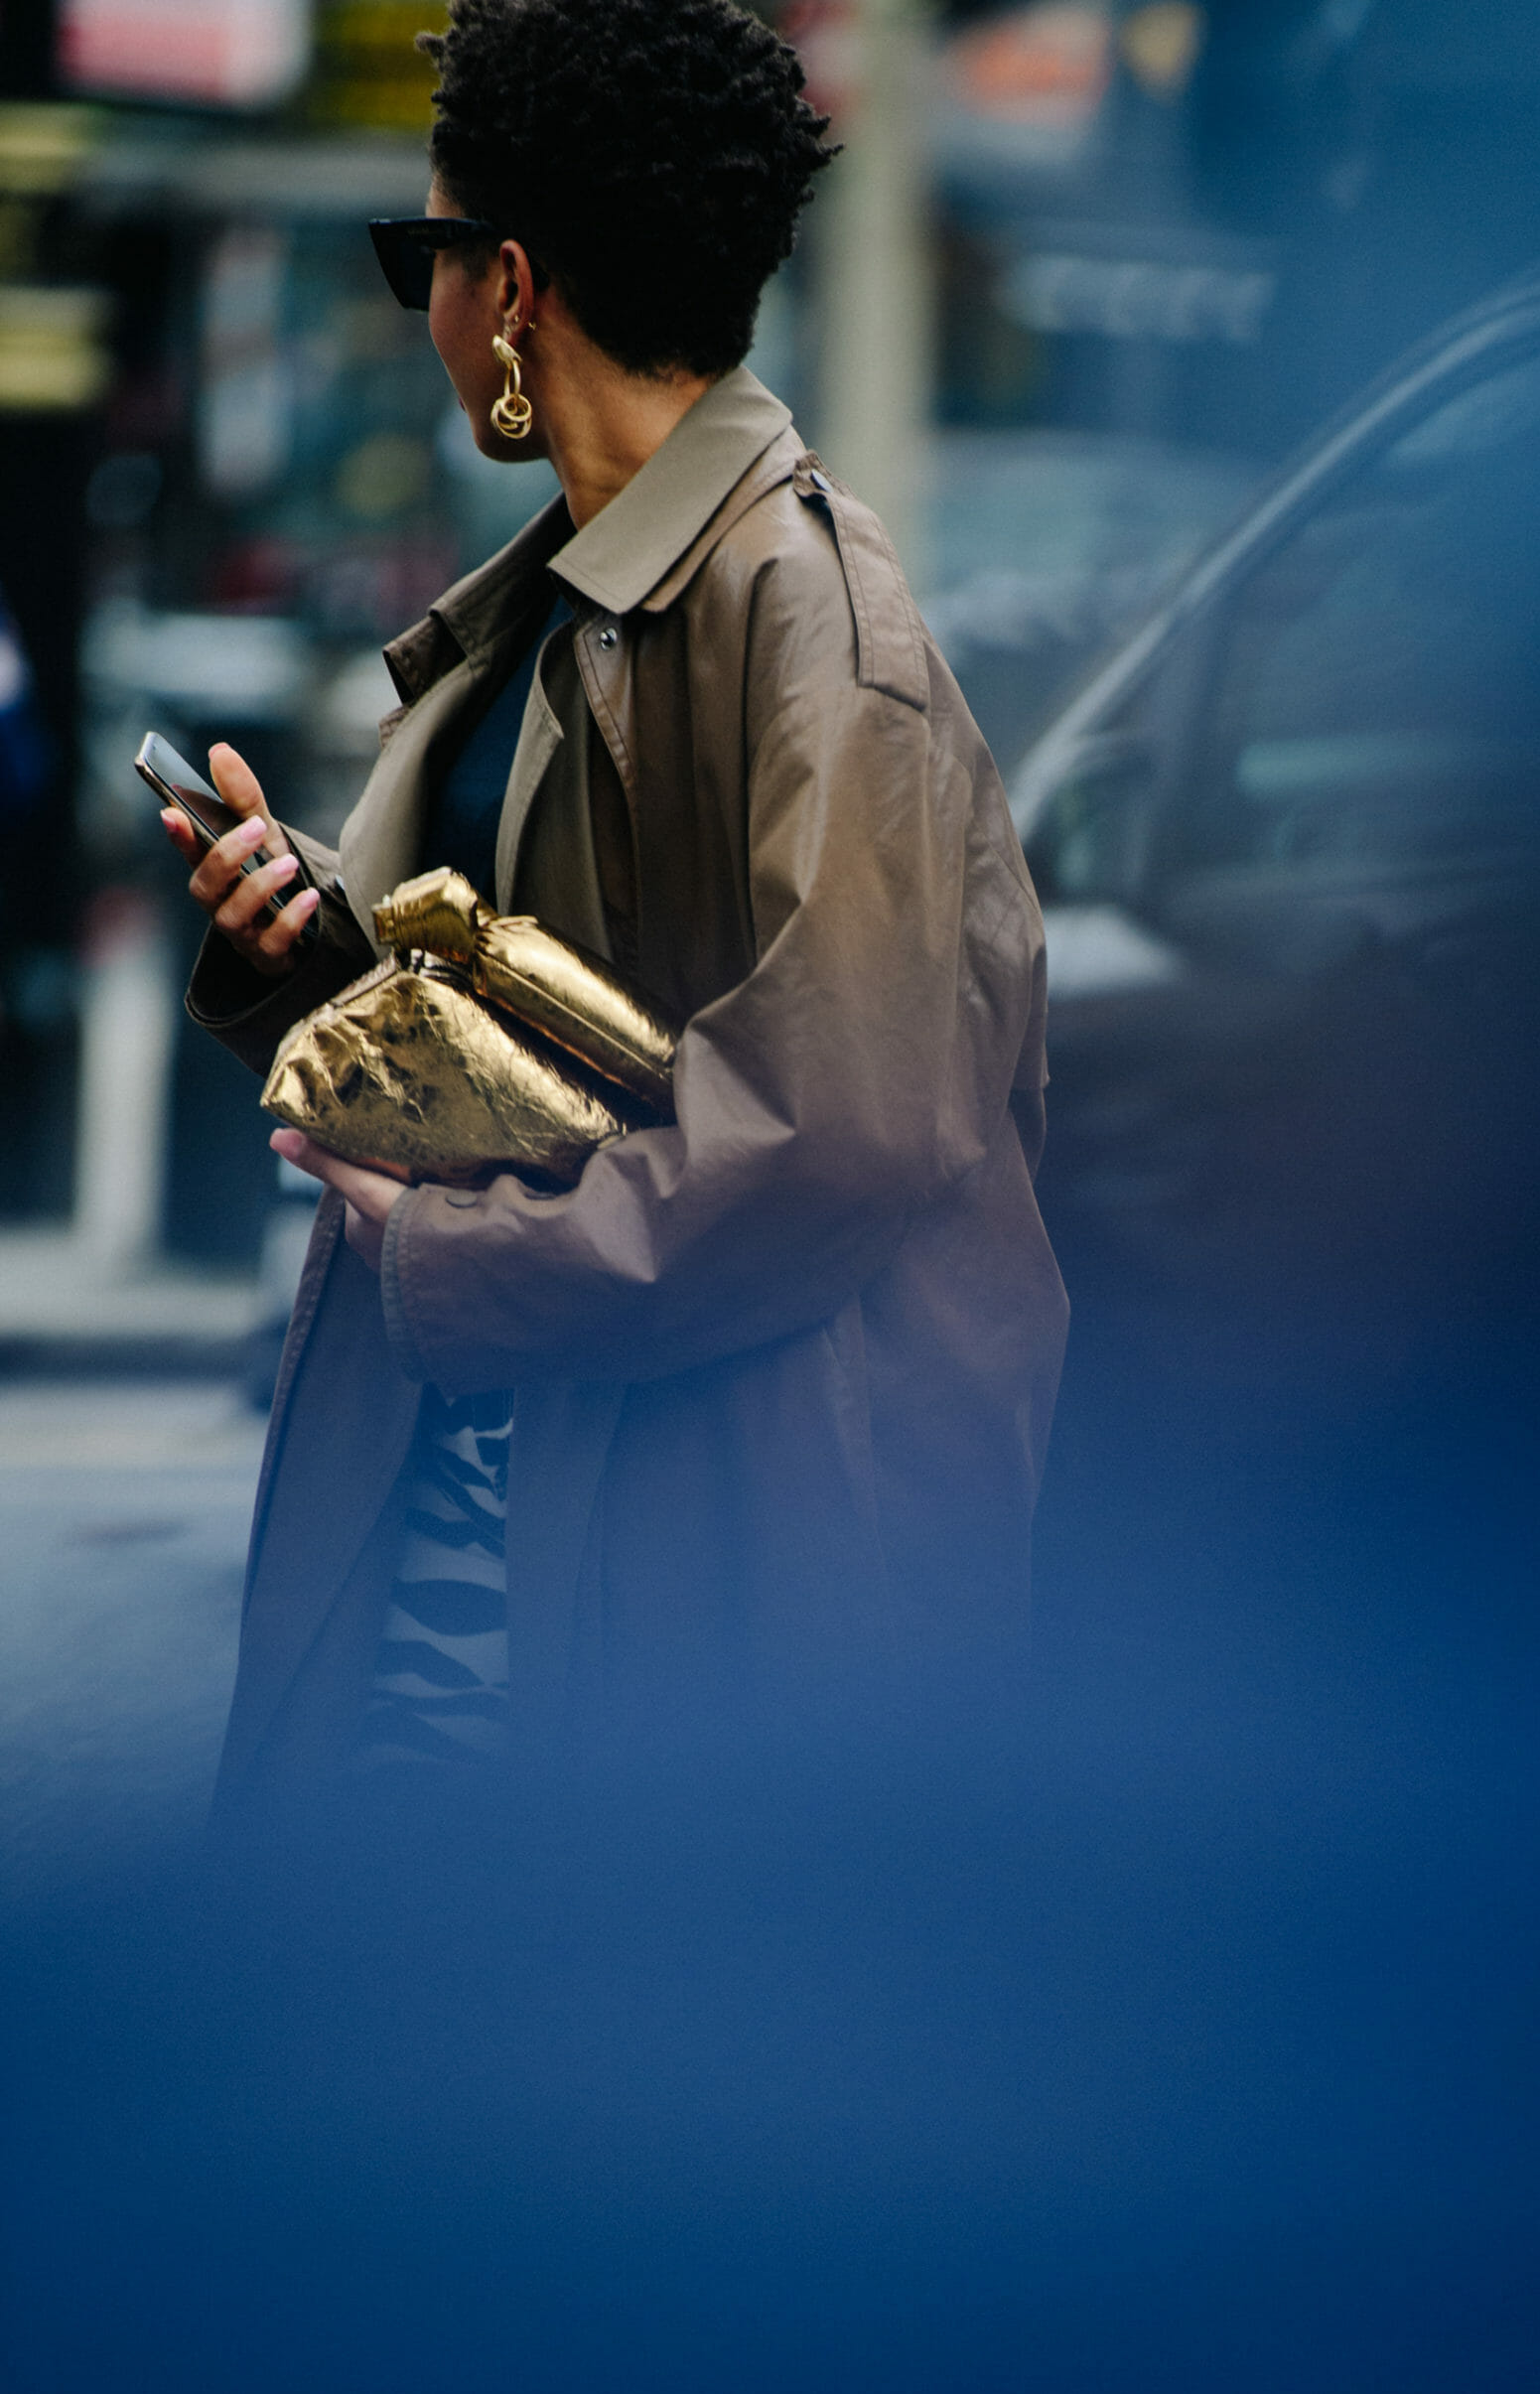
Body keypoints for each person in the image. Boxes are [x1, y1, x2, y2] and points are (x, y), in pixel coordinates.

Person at [165, 0, 1067, 1799]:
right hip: (481, 1513)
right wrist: (317, 950)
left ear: (509, 289)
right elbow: (567, 1025)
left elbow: (845, 1127)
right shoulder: (567, 601)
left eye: (420, 251)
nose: (413, 304)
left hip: (699, 1556)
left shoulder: (809, 621)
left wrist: (464, 1270)